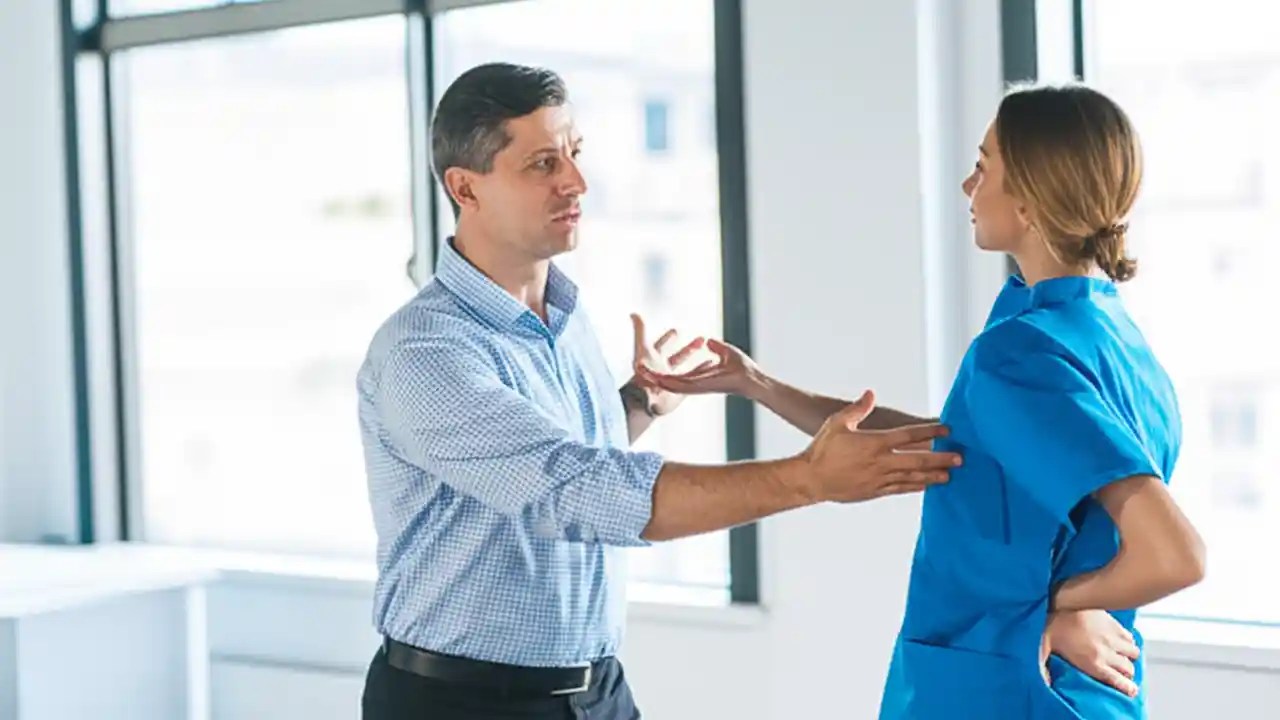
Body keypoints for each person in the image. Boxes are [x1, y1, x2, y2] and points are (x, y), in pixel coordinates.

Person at [355, 62, 961, 720]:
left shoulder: (564, 319)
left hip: (596, 692)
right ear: (464, 188)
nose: (576, 182)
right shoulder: (426, 354)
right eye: (541, 165)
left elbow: (559, 459)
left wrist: (640, 403)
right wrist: (807, 478)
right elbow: (572, 490)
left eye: (574, 154)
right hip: (461, 703)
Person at [641, 85, 1206, 718]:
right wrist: (757, 384)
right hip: (1069, 688)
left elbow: (1174, 555)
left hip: (1009, 685)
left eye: (984, 166)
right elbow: (953, 446)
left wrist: (1053, 606)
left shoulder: (1021, 351)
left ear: (1030, 197)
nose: (969, 186)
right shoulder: (1107, 335)